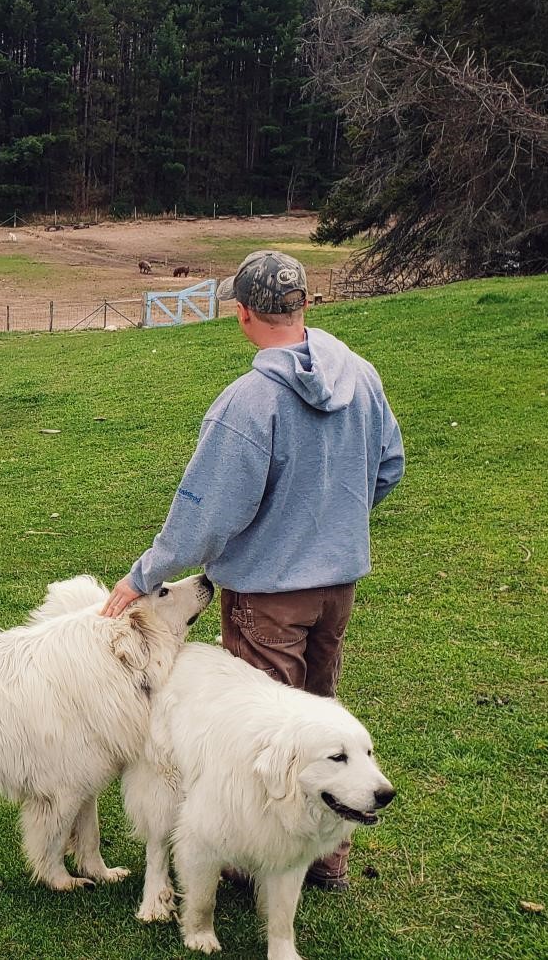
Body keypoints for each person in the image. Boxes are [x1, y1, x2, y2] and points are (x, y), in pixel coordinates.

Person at [99, 249, 404, 889]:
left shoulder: (249, 402)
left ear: (241, 313)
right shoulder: (361, 375)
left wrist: (143, 576)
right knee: (321, 711)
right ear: (305, 303)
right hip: (337, 585)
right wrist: (333, 524)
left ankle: (254, 858)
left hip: (267, 595)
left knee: (262, 730)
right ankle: (326, 858)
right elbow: (388, 466)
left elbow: (205, 514)